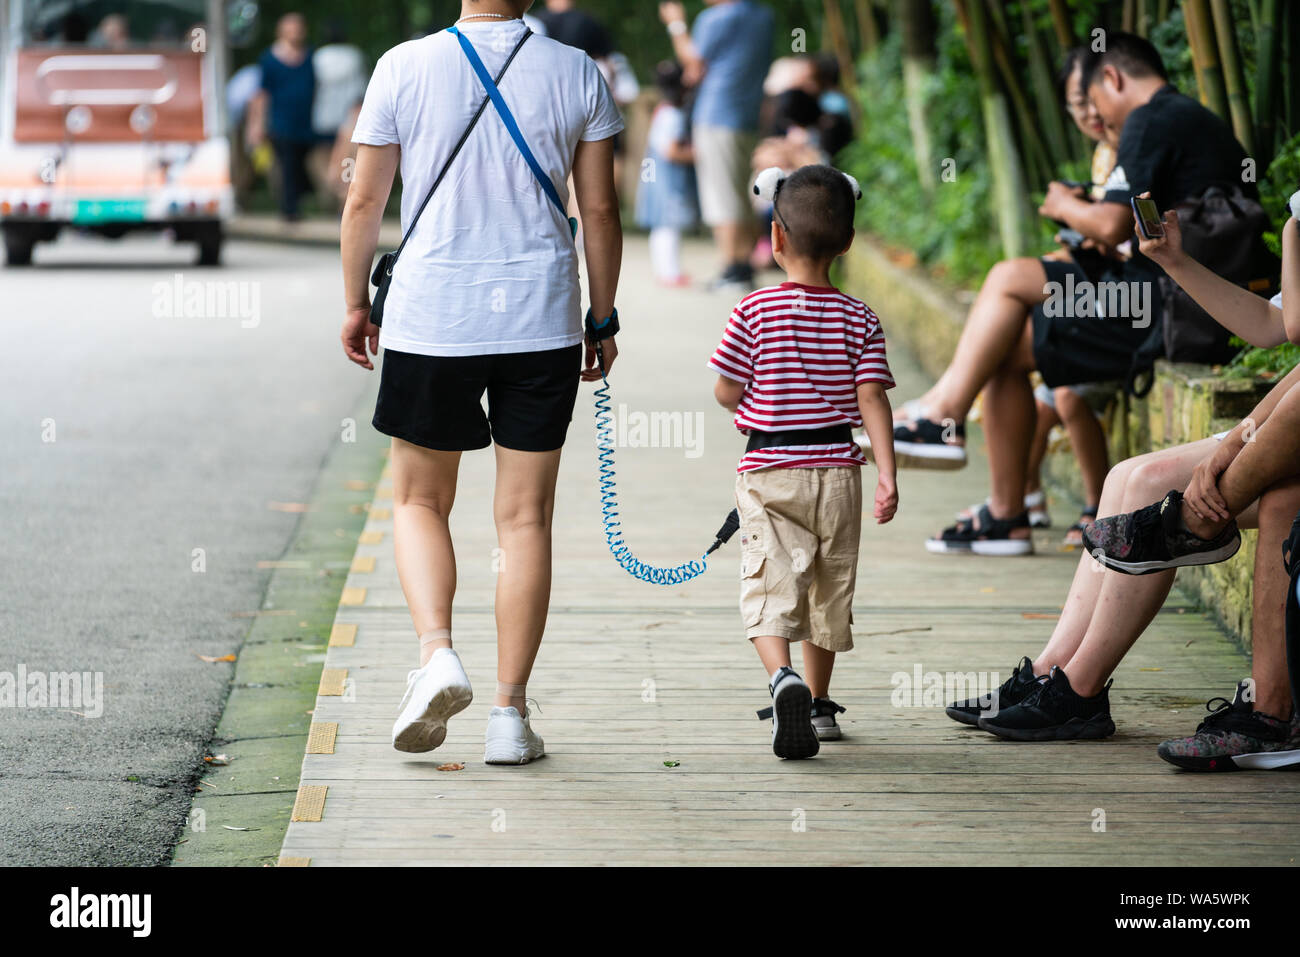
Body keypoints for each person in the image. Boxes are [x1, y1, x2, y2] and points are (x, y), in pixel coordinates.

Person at [340, 0, 625, 764]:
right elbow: (598, 208)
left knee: (419, 499)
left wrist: (356, 303)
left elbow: (365, 199)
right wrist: (601, 317)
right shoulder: (578, 71)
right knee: (523, 521)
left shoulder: (403, 66)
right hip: (540, 316)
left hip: (434, 317)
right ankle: (509, 716)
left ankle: (437, 653)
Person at [946, 197, 1300, 768]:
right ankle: (1054, 672)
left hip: (1283, 432)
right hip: (1281, 422)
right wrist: (1175, 261)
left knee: (1178, 496)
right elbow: (1273, 326)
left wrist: (1294, 224)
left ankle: (1080, 687)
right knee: (1129, 478)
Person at [891, 34, 1261, 557]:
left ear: (1112, 79)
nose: (1099, 120)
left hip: (1162, 307)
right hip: (1173, 301)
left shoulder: (1150, 118)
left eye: (1095, 102)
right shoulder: (1184, 118)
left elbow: (1111, 224)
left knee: (1007, 283)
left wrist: (1062, 204)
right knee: (1006, 333)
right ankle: (999, 504)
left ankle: (951, 428)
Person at [708, 165, 897, 759]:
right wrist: (887, 474)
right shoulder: (860, 316)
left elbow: (725, 389)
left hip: (769, 473)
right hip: (839, 472)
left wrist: (752, 393)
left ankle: (781, 678)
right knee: (827, 586)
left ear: (775, 237)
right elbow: (873, 398)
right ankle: (817, 704)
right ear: (847, 241)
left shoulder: (753, 309)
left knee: (770, 583)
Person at [660, 0, 774, 292]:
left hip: (717, 114)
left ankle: (732, 269)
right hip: (749, 114)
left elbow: (692, 62)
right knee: (740, 191)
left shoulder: (715, 18)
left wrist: (675, 23)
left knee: (721, 195)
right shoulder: (764, 16)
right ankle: (743, 267)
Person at [247, 13, 317, 222]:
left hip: (305, 122)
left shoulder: (310, 56)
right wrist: (257, 124)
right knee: (286, 163)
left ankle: (296, 202)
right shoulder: (269, 59)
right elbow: (262, 94)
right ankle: (289, 208)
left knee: (299, 162)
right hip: (281, 121)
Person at [636, 61, 698, 287]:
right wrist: (699, 154)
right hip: (668, 179)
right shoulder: (673, 115)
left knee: (664, 226)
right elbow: (671, 151)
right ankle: (669, 272)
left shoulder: (663, 110)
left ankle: (668, 270)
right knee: (668, 225)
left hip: (658, 176)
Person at [311, 22, 368, 211]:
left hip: (324, 116)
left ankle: (331, 190)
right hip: (349, 115)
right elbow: (362, 86)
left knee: (324, 156)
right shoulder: (354, 56)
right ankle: (344, 193)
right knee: (349, 158)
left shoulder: (319, 58)